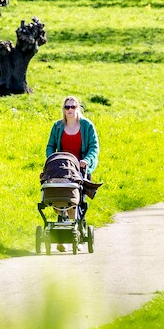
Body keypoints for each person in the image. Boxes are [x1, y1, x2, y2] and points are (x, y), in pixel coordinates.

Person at [45, 96, 99, 250]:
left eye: (73, 107)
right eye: (67, 107)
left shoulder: (87, 126)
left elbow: (94, 147)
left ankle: (77, 230)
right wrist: (52, 159)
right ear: (63, 109)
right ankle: (61, 235)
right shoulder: (57, 126)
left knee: (76, 199)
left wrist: (87, 160)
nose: (70, 110)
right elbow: (50, 146)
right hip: (61, 169)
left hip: (80, 170)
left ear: (78, 108)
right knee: (60, 197)